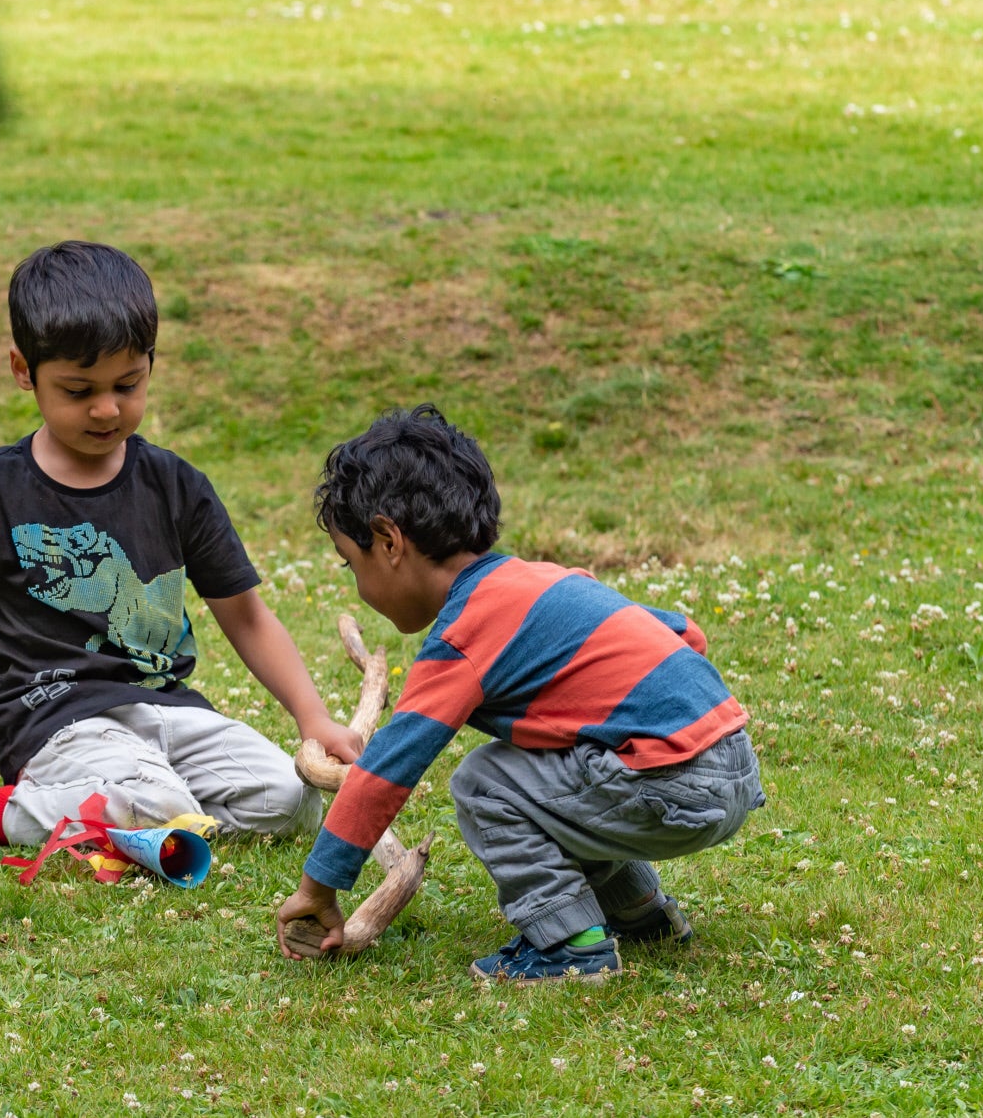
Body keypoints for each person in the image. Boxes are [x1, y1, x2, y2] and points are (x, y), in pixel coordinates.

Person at [0, 242, 364, 855]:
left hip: (169, 712)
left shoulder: (177, 486)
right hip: (55, 719)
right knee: (164, 803)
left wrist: (313, 720)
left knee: (290, 800)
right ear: (25, 371)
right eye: (78, 391)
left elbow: (248, 617)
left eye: (128, 384)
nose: (106, 408)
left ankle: (124, 819)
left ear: (151, 362)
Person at [274, 406, 762, 983]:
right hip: (732, 758)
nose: (356, 583)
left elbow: (387, 770)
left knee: (486, 783)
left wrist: (318, 885)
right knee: (549, 776)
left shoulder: (466, 633)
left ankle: (571, 948)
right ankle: (640, 914)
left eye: (350, 562)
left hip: (673, 783)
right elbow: (685, 635)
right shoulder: (547, 581)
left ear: (388, 541)